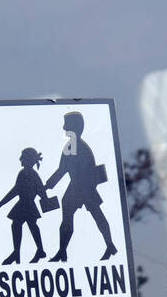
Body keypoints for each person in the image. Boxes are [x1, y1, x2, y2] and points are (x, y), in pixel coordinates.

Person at [45, 111, 117, 262]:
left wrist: (49, 185)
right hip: (76, 188)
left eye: (67, 125)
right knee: (68, 219)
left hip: (84, 187)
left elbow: (67, 170)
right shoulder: (70, 147)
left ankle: (110, 245)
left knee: (97, 215)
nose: (64, 128)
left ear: (75, 127)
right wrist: (48, 185)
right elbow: (62, 169)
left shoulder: (80, 147)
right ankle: (62, 251)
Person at [0, 146, 49, 264]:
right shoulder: (22, 173)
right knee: (19, 225)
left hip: (28, 205)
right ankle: (19, 252)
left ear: (28, 159)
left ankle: (37, 251)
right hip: (23, 204)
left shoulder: (32, 175)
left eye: (22, 157)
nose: (20, 159)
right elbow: (15, 191)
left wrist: (45, 194)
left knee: (30, 226)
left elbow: (41, 192)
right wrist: (0, 205)